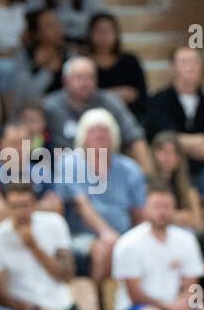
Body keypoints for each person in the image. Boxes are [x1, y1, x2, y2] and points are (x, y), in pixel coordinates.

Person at [0, 181, 116, 310]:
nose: (20, 212)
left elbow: (67, 274)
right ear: (6, 207)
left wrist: (35, 248)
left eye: (25, 206)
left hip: (62, 305)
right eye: (15, 206)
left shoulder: (54, 223)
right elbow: (2, 295)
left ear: (34, 204)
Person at [112, 186, 204, 310]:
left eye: (166, 207)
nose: (162, 212)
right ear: (145, 209)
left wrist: (190, 304)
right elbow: (135, 294)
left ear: (174, 209)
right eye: (156, 207)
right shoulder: (128, 243)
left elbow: (194, 285)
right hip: (136, 308)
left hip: (178, 304)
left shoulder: (187, 239)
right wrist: (167, 306)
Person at [58, 108, 146, 280]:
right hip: (83, 236)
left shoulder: (130, 169)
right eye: (93, 131)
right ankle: (98, 301)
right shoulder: (71, 163)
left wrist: (140, 238)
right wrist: (107, 233)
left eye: (105, 131)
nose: (99, 135)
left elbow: (139, 213)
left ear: (114, 137)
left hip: (124, 234)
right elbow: (82, 205)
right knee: (104, 249)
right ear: (83, 137)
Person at [43, 57, 152, 173]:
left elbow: (134, 136)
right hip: (62, 173)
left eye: (90, 77)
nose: (85, 82)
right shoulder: (50, 106)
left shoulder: (110, 102)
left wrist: (148, 179)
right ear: (65, 81)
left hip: (106, 170)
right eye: (79, 77)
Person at [143, 47, 204, 180]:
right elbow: (165, 139)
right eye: (184, 62)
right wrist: (201, 139)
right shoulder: (157, 101)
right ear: (172, 68)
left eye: (195, 62)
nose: (190, 67)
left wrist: (181, 144)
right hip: (167, 175)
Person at [87, 13, 147, 123]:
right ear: (90, 34)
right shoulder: (83, 63)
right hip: (91, 118)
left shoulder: (130, 61)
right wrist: (113, 94)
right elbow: (81, 94)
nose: (103, 36)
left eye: (108, 31)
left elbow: (141, 94)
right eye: (99, 31)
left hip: (128, 117)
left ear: (116, 34)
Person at [149, 131, 203, 232]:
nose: (167, 157)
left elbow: (198, 223)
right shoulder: (145, 183)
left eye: (172, 153)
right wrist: (177, 216)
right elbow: (147, 217)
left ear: (179, 158)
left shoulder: (188, 187)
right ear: (154, 154)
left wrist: (168, 217)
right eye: (163, 152)